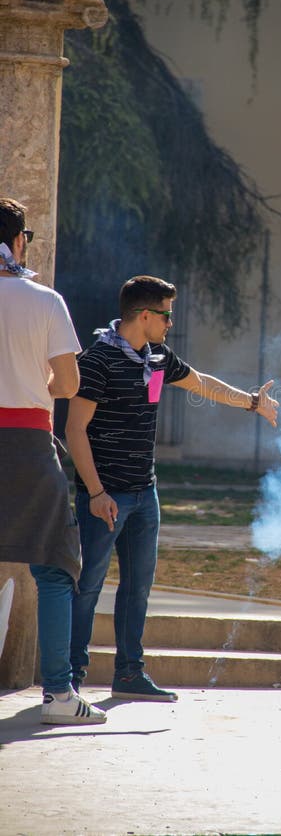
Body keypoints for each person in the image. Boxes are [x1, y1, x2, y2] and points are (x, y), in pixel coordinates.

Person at [66, 275, 278, 701]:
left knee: (138, 587)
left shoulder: (157, 357)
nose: (170, 323)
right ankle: (69, 680)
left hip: (146, 494)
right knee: (87, 585)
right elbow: (74, 430)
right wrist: (96, 492)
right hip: (105, 497)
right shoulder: (96, 361)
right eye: (165, 315)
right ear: (144, 315)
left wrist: (253, 402)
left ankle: (129, 673)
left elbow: (200, 382)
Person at [0, 198, 106, 725]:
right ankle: (60, 696)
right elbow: (68, 384)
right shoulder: (45, 301)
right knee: (56, 566)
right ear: (19, 241)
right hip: (25, 441)